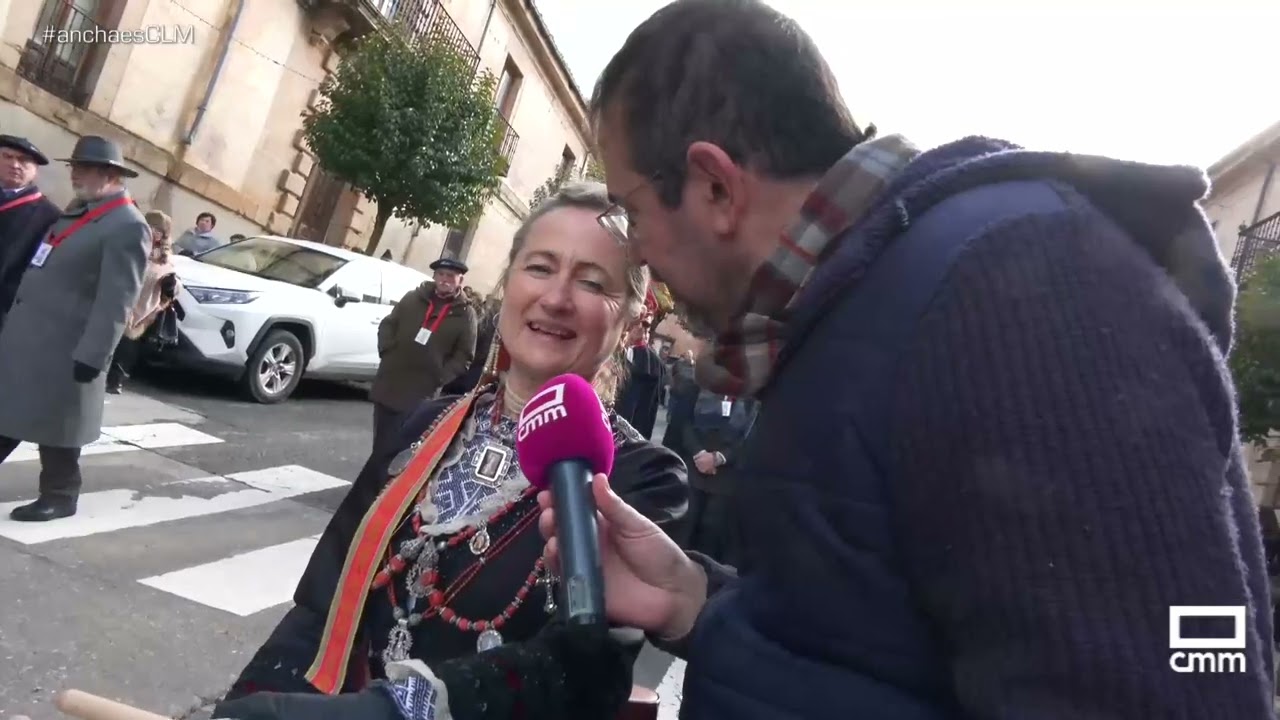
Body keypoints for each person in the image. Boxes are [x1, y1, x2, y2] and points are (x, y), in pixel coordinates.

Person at [537, 1, 1275, 718]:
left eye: (630, 213)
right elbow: (874, 652)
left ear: (715, 187)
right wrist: (697, 603)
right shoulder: (855, 309)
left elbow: (1175, 685)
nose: (636, 251)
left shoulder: (1019, 284)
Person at [212, 181, 688, 720]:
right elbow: (323, 602)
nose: (556, 298)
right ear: (507, 284)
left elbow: (577, 671)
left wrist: (395, 710)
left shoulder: (641, 478)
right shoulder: (428, 423)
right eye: (539, 268)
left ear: (631, 323)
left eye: (592, 282)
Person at [0, 135, 150, 522]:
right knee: (14, 410)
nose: (74, 175)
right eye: (74, 167)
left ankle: (62, 495)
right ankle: (60, 493)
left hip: (68, 344)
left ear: (109, 174)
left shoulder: (127, 225)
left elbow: (117, 300)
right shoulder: (82, 213)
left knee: (59, 427)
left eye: (83, 168)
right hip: (34, 336)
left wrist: (94, 355)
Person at [370, 256, 478, 454]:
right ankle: (377, 472)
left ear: (460, 280)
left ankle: (384, 473)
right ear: (434, 276)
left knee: (400, 444)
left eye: (451, 276)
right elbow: (388, 324)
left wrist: (439, 377)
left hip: (422, 390)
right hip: (391, 379)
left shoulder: (466, 314)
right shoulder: (413, 298)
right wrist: (387, 351)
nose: (444, 279)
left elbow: (464, 356)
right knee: (381, 440)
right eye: (441, 274)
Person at [106, 210, 180, 394]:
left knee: (128, 341)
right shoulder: (133, 245)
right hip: (120, 299)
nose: (155, 233)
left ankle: (116, 378)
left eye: (160, 230)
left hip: (144, 307)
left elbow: (172, 285)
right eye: (152, 227)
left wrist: (170, 286)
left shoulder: (164, 257)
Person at [0, 134, 60, 334]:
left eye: (24, 160)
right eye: (7, 156)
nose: (15, 164)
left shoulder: (49, 216)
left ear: (35, 171)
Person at [614, 316, 666, 439]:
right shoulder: (613, 348)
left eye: (645, 328)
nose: (641, 329)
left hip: (630, 428)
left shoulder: (652, 363)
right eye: (637, 324)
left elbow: (649, 407)